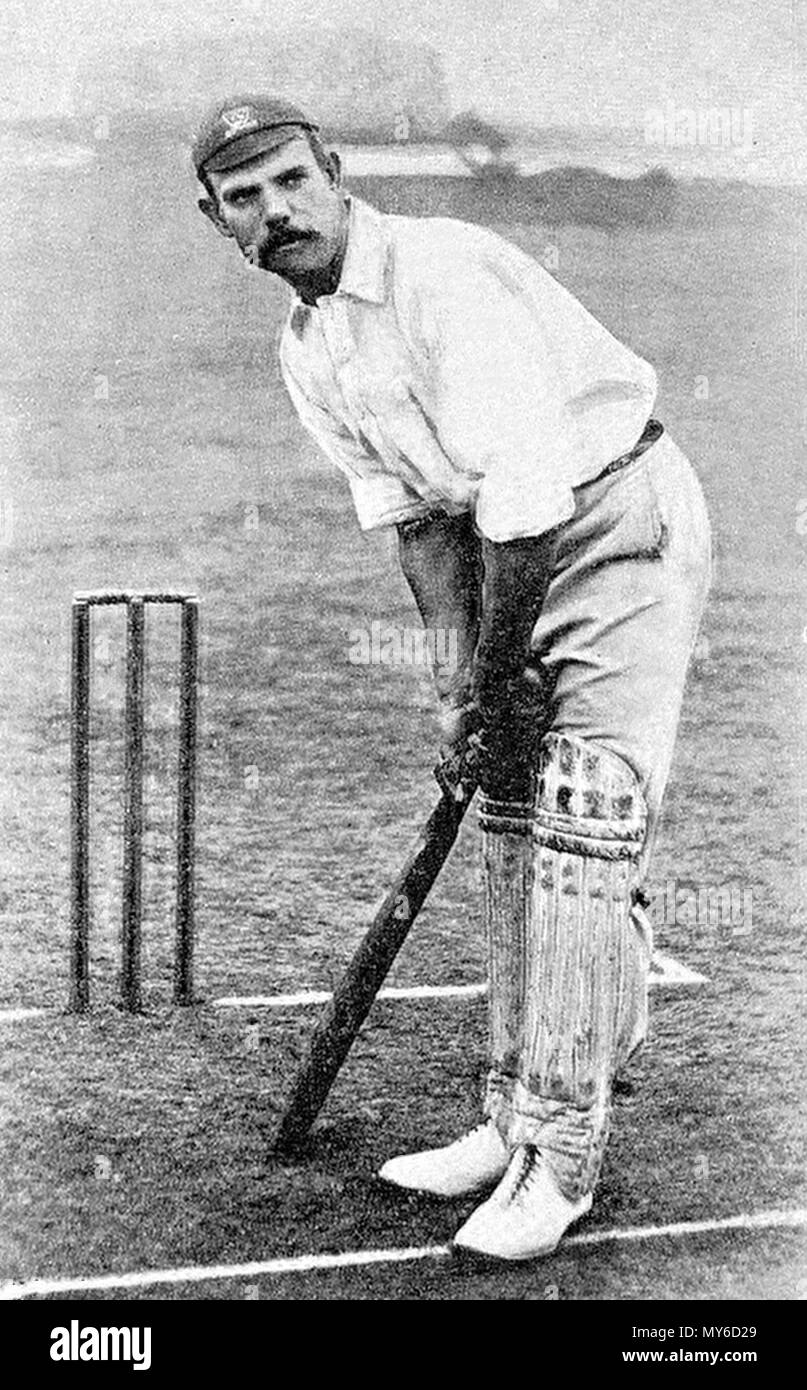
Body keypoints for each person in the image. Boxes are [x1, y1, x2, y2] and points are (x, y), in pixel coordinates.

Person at [192, 95, 712, 1260]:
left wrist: (498, 674)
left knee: (584, 819)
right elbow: (422, 524)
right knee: (516, 826)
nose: (277, 211)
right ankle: (510, 1112)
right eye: (245, 199)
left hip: (614, 522)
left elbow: (524, 504)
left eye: (290, 180)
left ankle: (562, 1158)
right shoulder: (309, 346)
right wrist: (455, 687)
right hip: (506, 543)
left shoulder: (440, 277)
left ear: (333, 171)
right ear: (217, 219)